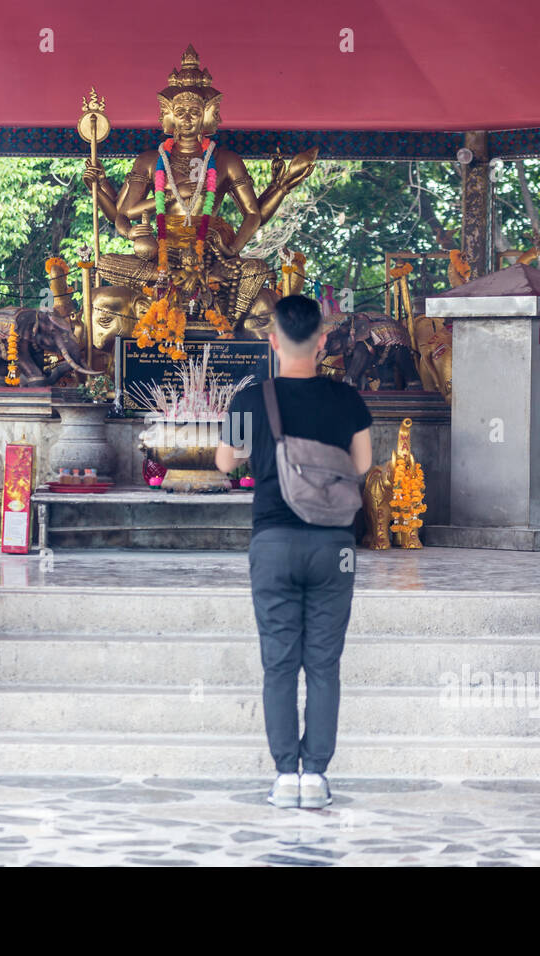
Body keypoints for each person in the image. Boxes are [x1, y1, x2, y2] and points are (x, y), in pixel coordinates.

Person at [216, 294, 373, 809]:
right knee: (324, 665)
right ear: (323, 341)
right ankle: (317, 777)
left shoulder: (249, 399)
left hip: (273, 542)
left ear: (272, 340)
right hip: (335, 547)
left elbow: (224, 462)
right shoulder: (348, 400)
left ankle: (286, 775)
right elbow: (363, 465)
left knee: (279, 664)